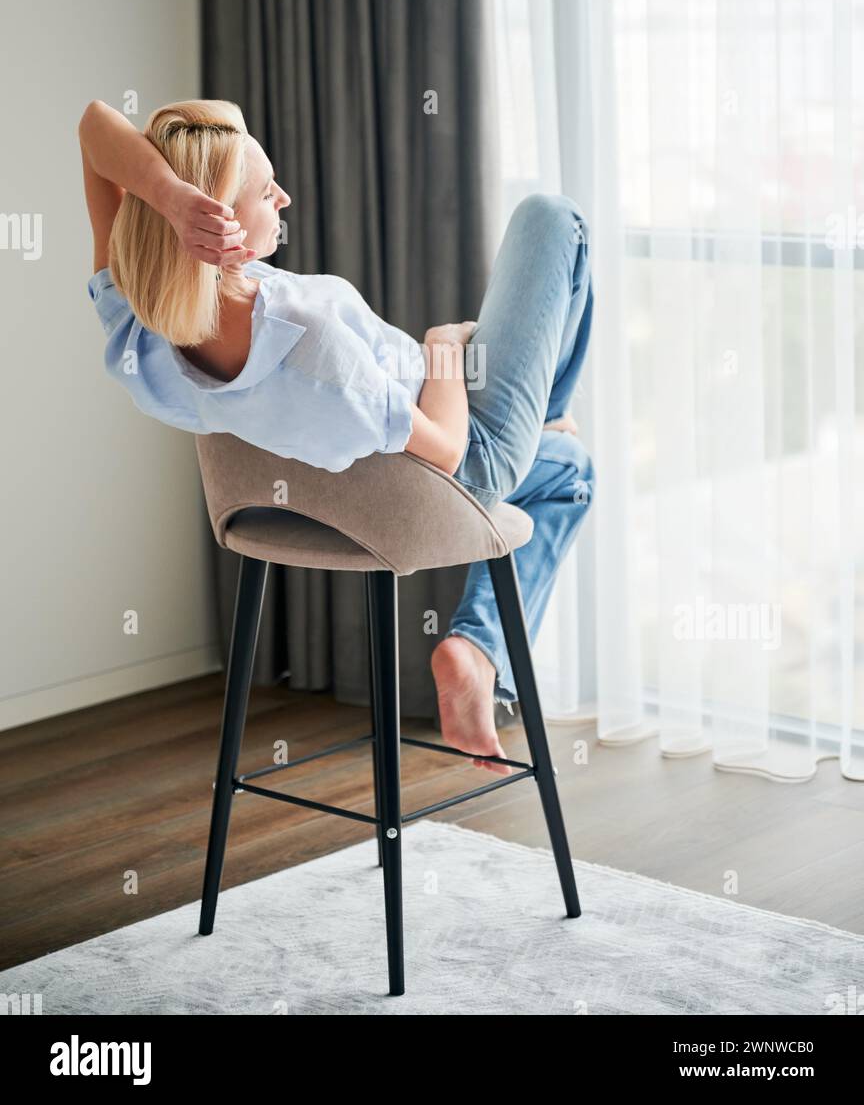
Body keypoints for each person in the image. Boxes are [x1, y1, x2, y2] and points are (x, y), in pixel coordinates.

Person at [80, 99, 594, 778]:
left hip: (335, 477)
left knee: (563, 457)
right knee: (555, 222)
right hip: (459, 455)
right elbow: (442, 447)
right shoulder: (310, 353)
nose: (284, 195)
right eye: (267, 191)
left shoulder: (135, 327)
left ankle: (539, 453)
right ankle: (479, 638)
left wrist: (171, 199)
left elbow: (94, 128)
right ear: (225, 229)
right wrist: (442, 346)